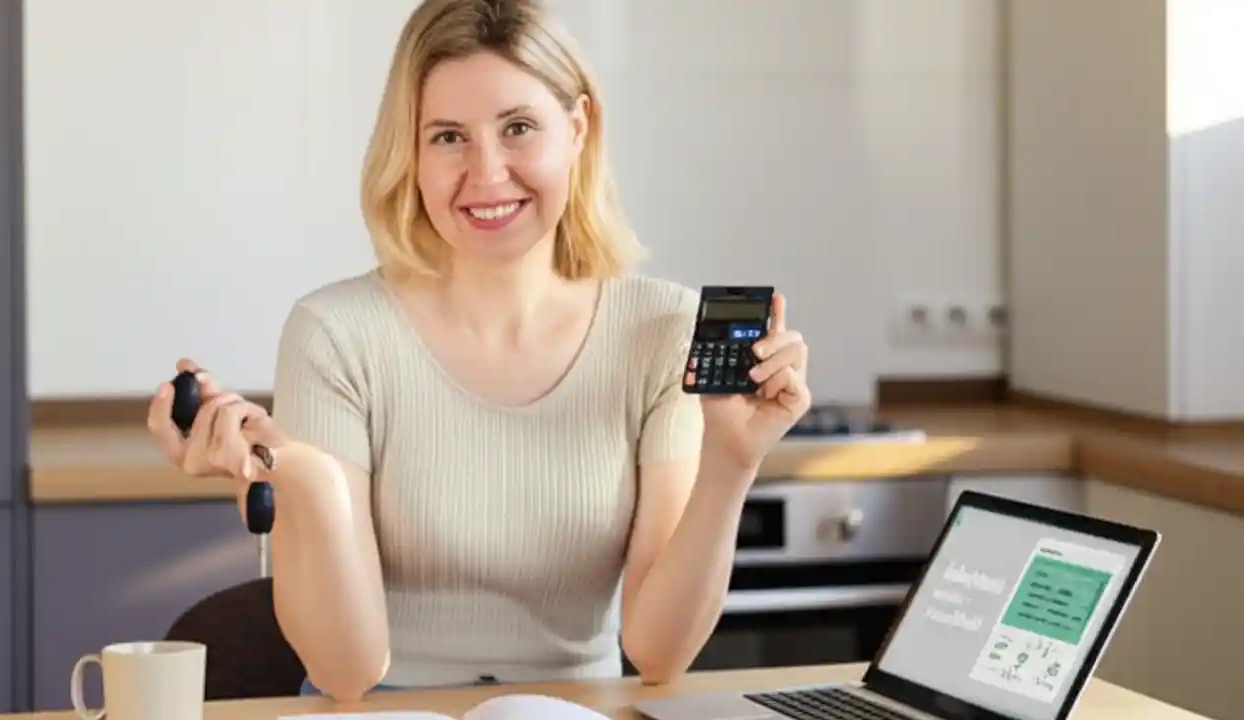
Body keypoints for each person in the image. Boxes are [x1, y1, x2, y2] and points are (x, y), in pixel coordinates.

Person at [146, 0, 812, 704]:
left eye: (518, 128)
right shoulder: (334, 333)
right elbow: (346, 672)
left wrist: (732, 463)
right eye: (447, 137)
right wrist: (308, 480)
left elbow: (657, 653)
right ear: (411, 151)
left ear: (577, 127)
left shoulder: (661, 329)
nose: (487, 174)